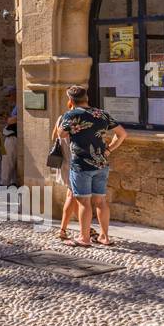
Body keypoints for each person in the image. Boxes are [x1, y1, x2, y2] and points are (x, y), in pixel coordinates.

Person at [53, 85, 126, 247]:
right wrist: (109, 150)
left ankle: (84, 238)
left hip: (81, 165)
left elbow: (61, 134)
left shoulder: (71, 115)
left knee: (84, 202)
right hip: (101, 163)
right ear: (87, 98)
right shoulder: (101, 114)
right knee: (100, 201)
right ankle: (104, 237)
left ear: (71, 100)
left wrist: (66, 119)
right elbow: (122, 134)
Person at [0, 87, 19, 187]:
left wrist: (8, 119)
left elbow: (14, 119)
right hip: (12, 135)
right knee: (11, 160)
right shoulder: (16, 105)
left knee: (8, 160)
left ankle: (5, 183)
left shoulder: (19, 105)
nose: (9, 98)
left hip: (13, 136)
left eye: (10, 95)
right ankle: (12, 182)